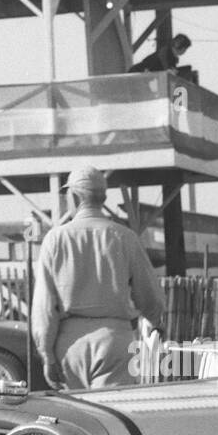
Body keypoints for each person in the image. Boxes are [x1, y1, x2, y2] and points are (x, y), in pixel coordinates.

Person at [32, 163, 165, 390]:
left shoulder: (55, 240)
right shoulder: (125, 237)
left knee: (79, 419)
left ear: (73, 197)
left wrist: (47, 355)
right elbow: (150, 298)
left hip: (69, 344)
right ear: (103, 198)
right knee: (110, 418)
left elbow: (44, 308)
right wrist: (154, 323)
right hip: (115, 339)